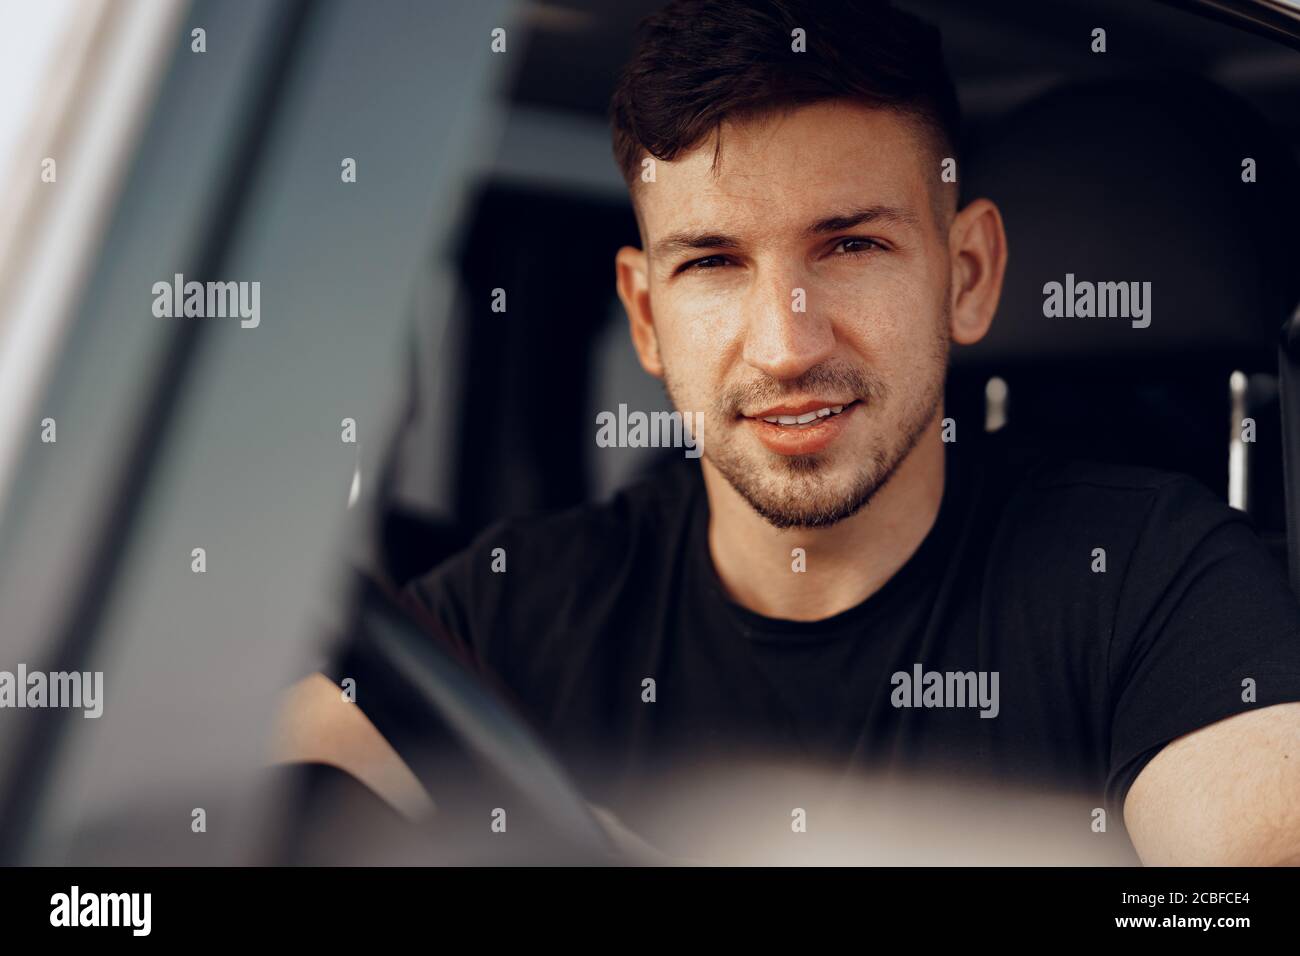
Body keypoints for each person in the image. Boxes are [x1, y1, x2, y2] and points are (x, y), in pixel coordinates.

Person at [304, 0, 1300, 864]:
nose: (785, 346)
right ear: (645, 317)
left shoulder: (1145, 576)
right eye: (713, 263)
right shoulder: (507, 608)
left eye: (852, 244)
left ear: (965, 275)